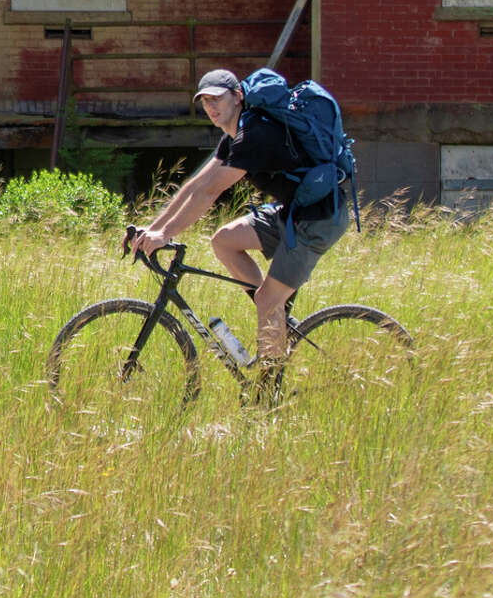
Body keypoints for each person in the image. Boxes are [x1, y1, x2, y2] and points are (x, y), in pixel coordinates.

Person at [130, 67, 351, 374]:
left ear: (237, 97)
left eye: (217, 99)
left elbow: (210, 193)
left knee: (267, 302)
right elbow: (195, 185)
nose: (211, 107)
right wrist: (153, 229)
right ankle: (278, 320)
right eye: (205, 101)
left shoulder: (254, 134)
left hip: (319, 219)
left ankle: (268, 393)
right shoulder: (233, 136)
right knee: (224, 241)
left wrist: (165, 234)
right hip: (293, 213)